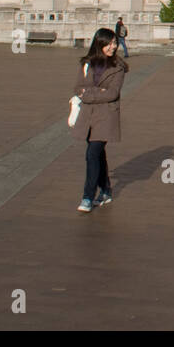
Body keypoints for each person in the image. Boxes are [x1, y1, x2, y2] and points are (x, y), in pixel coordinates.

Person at [71, 27, 127, 213]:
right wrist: (95, 93)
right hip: (88, 116)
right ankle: (106, 190)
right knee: (98, 154)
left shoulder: (118, 66)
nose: (113, 47)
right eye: (109, 43)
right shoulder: (87, 64)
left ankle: (87, 196)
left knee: (91, 154)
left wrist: (89, 94)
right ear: (99, 43)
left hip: (106, 115)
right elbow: (78, 88)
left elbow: (112, 93)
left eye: (115, 43)